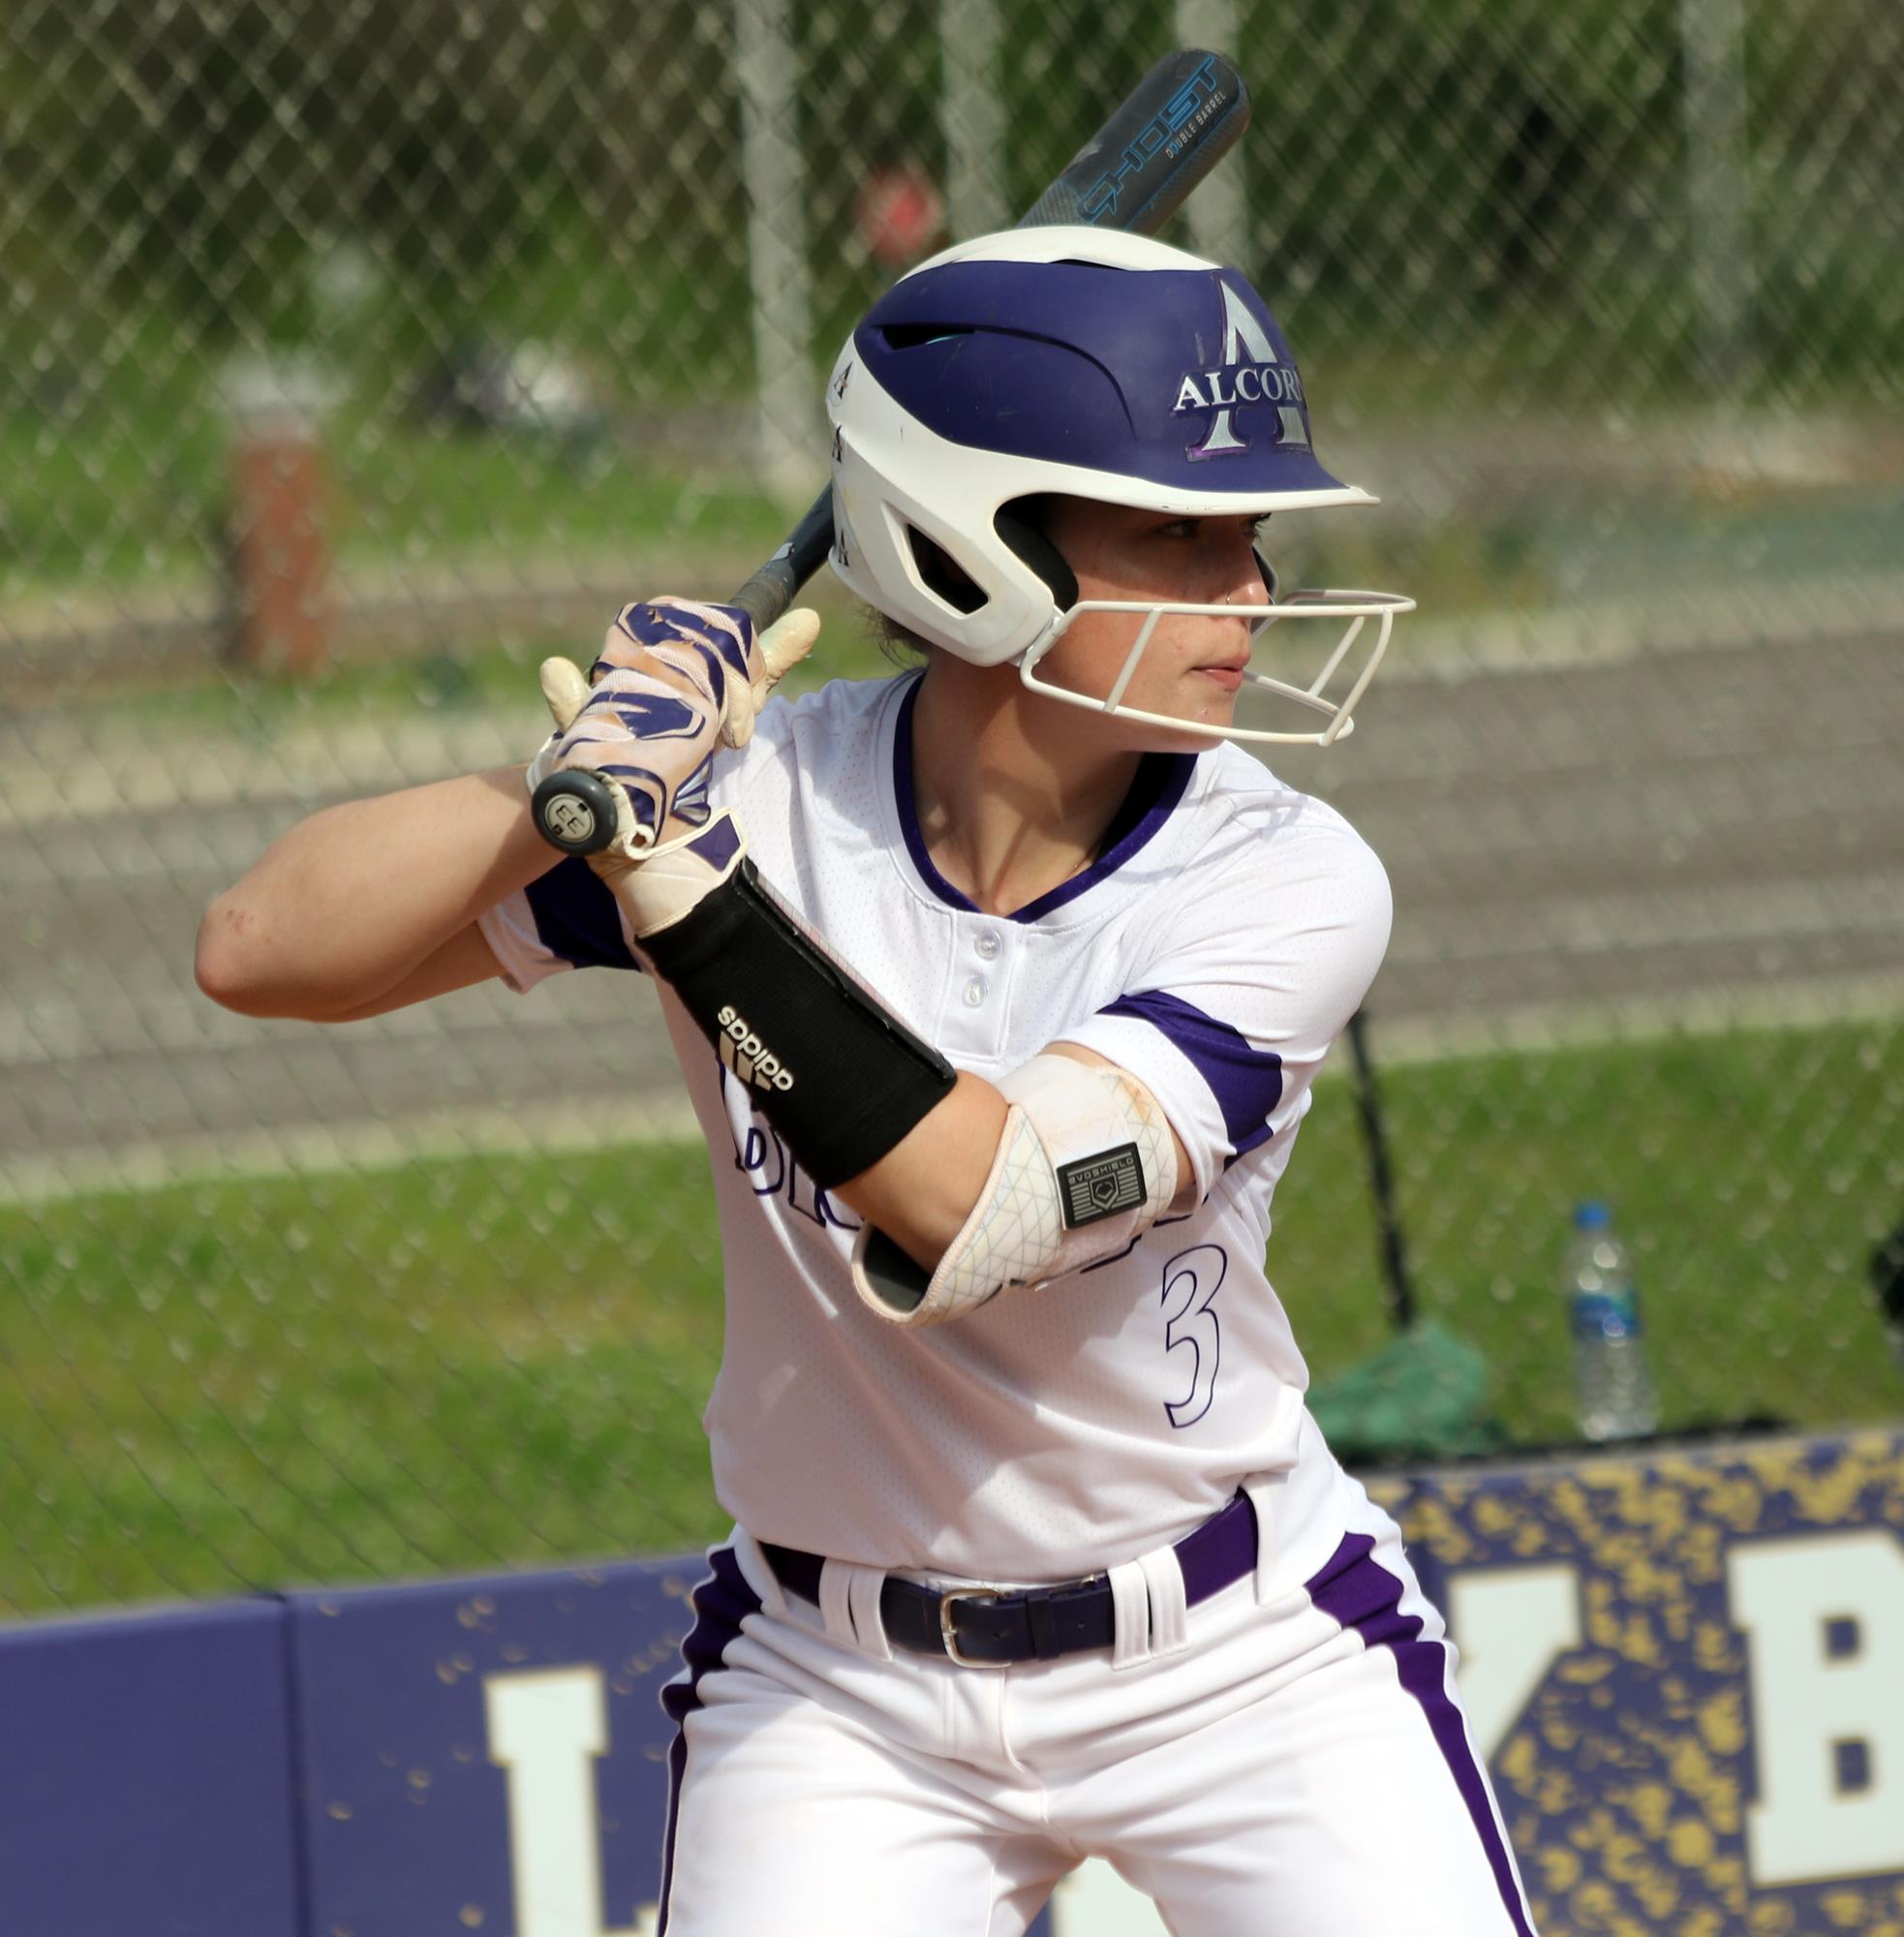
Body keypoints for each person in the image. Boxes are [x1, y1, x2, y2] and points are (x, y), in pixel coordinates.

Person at [198, 226, 1536, 1935]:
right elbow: (262, 950)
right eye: (1179, 537)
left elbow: (980, 1207)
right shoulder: (765, 800)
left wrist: (676, 885)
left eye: (1247, 537)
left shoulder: (1280, 876)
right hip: (839, 1694)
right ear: (979, 555)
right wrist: (568, 782)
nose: (1251, 592)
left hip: (1240, 1657)